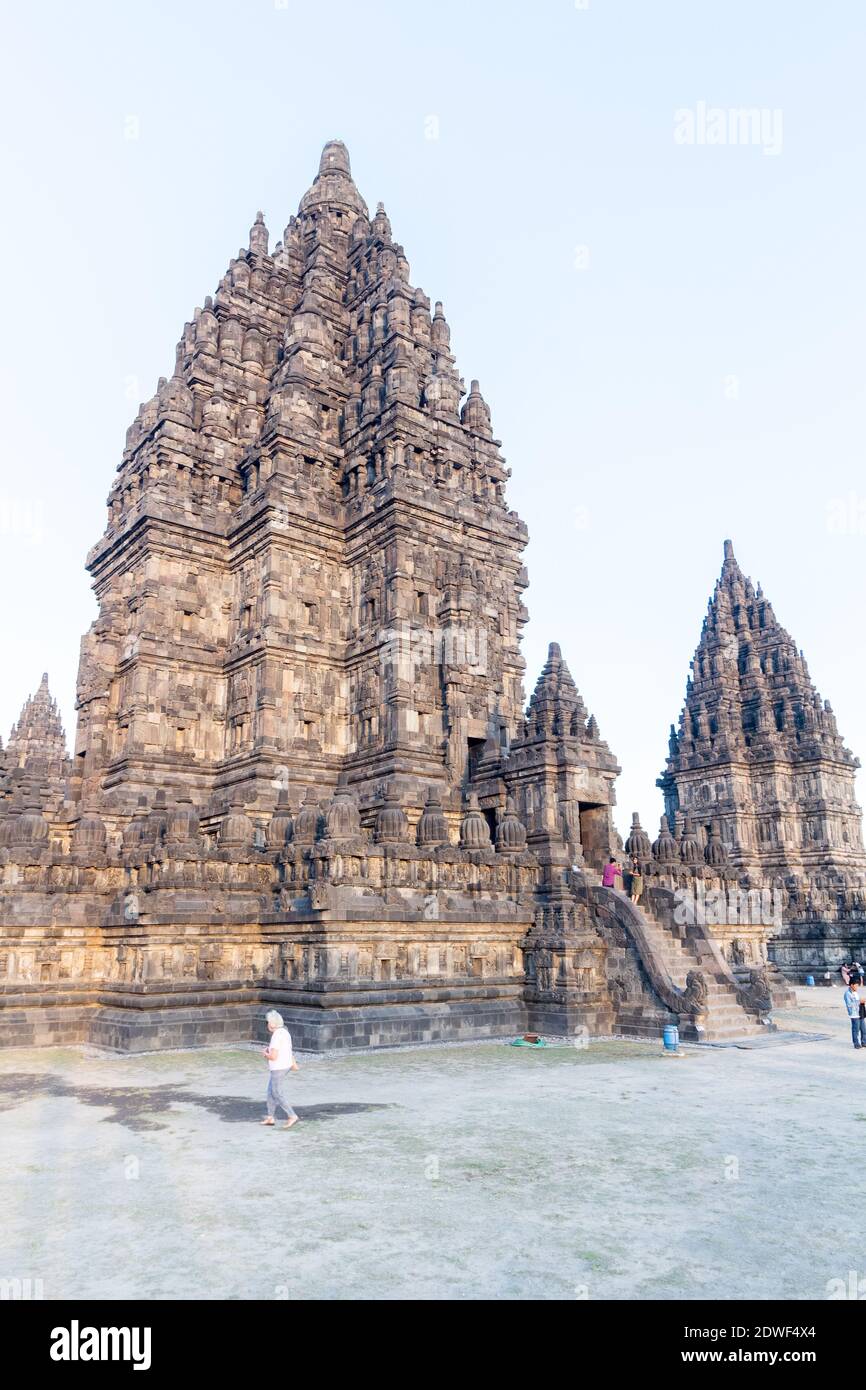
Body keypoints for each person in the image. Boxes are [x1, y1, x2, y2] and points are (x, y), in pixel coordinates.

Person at [261, 1010, 300, 1129]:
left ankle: (292, 1115)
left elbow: (273, 1056)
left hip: (279, 1067)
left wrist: (265, 1053)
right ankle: (270, 1117)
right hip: (285, 1064)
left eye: (267, 1022)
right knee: (270, 1091)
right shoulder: (284, 1032)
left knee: (276, 1092)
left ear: (272, 1024)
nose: (267, 1024)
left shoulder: (276, 1036)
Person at [843, 975, 866, 1050]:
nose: (857, 987)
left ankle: (864, 1042)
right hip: (854, 1014)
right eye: (856, 985)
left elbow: (857, 1001)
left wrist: (862, 1001)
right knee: (855, 1029)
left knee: (863, 1029)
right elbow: (849, 1005)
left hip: (860, 1012)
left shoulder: (855, 992)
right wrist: (859, 1001)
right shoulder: (847, 994)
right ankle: (856, 1043)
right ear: (851, 985)